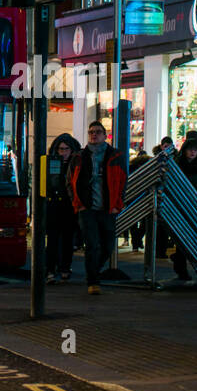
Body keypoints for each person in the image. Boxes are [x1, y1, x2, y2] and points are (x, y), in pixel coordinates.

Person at [66, 120, 126, 294]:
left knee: (108, 245)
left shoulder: (115, 156)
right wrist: (77, 204)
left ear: (104, 135)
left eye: (98, 132)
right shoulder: (79, 157)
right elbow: (69, 181)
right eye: (91, 132)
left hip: (108, 208)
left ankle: (93, 270)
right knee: (92, 244)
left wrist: (117, 205)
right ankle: (93, 281)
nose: (94, 134)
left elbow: (123, 182)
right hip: (87, 208)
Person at [167, 131, 197, 286]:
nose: (193, 151)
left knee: (196, 238)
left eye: (195, 148)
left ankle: (187, 264)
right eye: (190, 148)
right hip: (182, 207)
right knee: (183, 238)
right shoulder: (177, 164)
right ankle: (181, 266)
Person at [45, 133, 80, 282]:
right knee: (53, 240)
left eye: (66, 149)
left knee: (67, 239)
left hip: (69, 206)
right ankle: (52, 269)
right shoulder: (50, 163)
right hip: (54, 206)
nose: (63, 152)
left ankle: (63, 267)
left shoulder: (77, 164)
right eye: (61, 149)